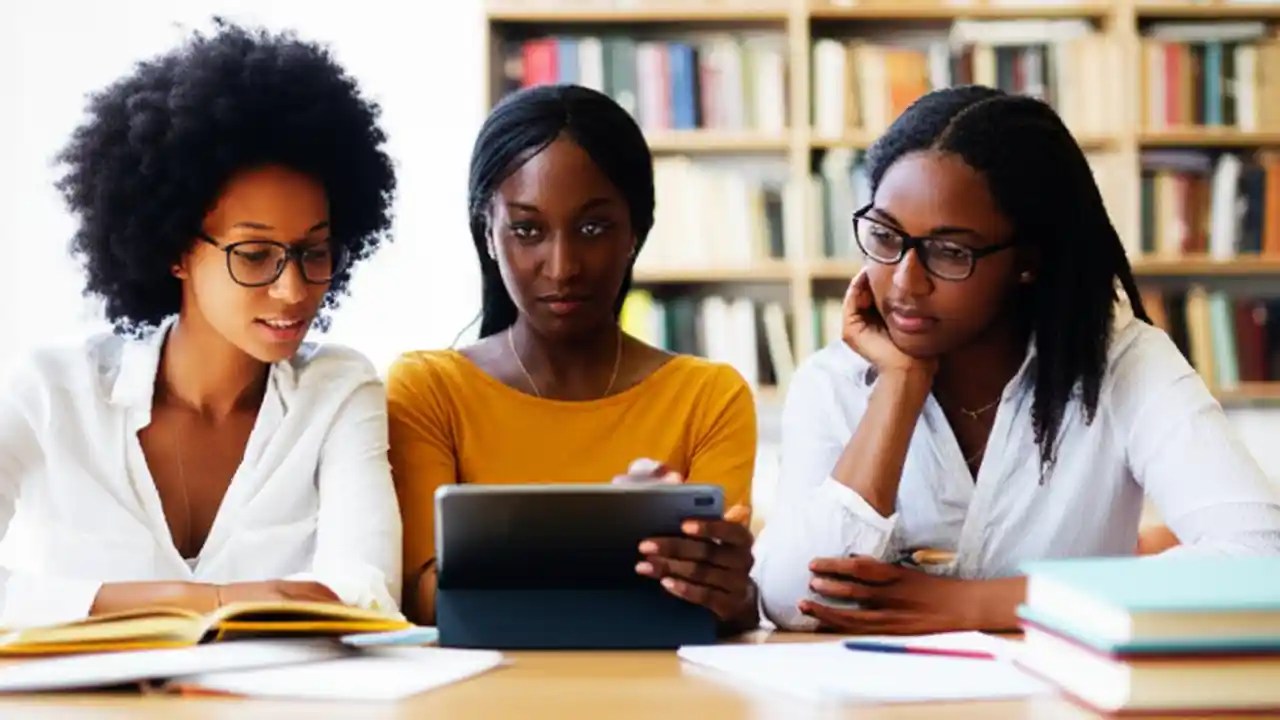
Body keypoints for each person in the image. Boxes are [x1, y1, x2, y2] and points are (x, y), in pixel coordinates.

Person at [752, 86, 1280, 633]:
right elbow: (790, 601)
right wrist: (900, 385)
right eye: (886, 236)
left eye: (949, 251)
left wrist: (978, 604)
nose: (905, 281)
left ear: (1027, 261)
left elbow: (1263, 559)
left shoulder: (1127, 363)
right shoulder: (834, 380)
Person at [0, 22, 401, 627]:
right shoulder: (52, 392)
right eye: (254, 255)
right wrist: (204, 601)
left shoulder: (338, 391)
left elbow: (366, 593)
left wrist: (82, 604)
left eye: (313, 252)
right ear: (176, 250)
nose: (294, 289)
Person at [387, 84, 758, 633]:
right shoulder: (428, 390)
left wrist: (733, 593)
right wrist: (608, 537)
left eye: (592, 228)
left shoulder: (709, 398)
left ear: (636, 232)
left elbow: (708, 609)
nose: (562, 267)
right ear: (488, 234)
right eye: (527, 230)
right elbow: (428, 600)